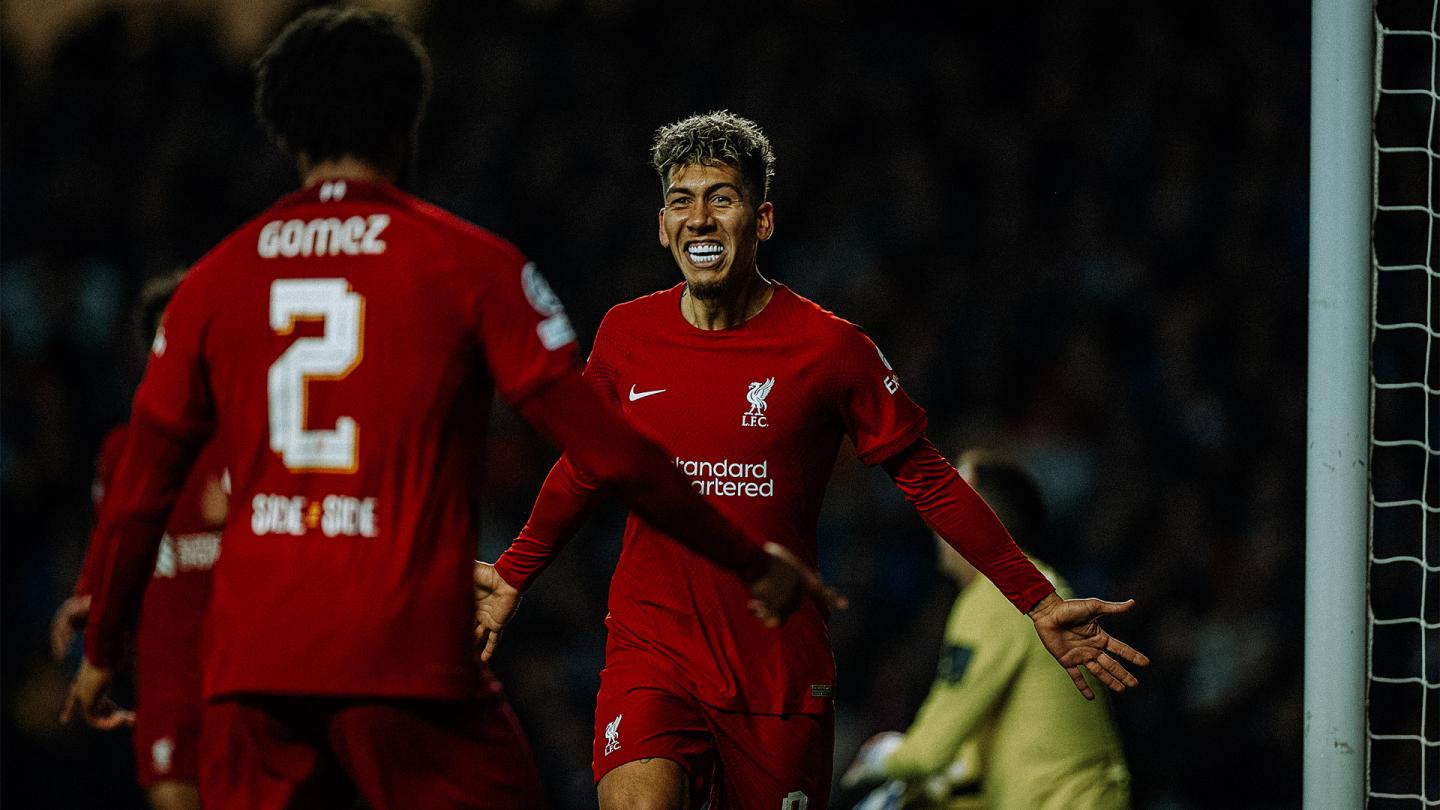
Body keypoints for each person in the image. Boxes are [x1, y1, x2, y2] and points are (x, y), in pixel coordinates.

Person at [61, 11, 836, 810]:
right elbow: (608, 448)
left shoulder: (213, 284)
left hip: (252, 673)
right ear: (408, 120)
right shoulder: (467, 263)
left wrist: (103, 644)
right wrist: (745, 558)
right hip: (404, 658)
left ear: (284, 130)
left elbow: (141, 487)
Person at [476, 111, 1149, 810]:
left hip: (776, 669)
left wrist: (1034, 597)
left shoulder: (830, 349)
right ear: (661, 224)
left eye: (722, 199)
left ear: (761, 219)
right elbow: (589, 463)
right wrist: (515, 570)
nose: (700, 219)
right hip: (654, 649)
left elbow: (925, 477)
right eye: (682, 200)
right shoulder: (625, 334)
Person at [840, 449, 1132, 809]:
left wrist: (883, 758)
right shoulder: (1031, 587)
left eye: (949, 498)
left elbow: (930, 751)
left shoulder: (1000, 595)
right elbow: (969, 767)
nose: (933, 512)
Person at [51, 271, 227, 810]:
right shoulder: (122, 450)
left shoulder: (248, 441)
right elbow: (113, 536)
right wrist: (89, 593)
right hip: (166, 681)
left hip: (240, 676)